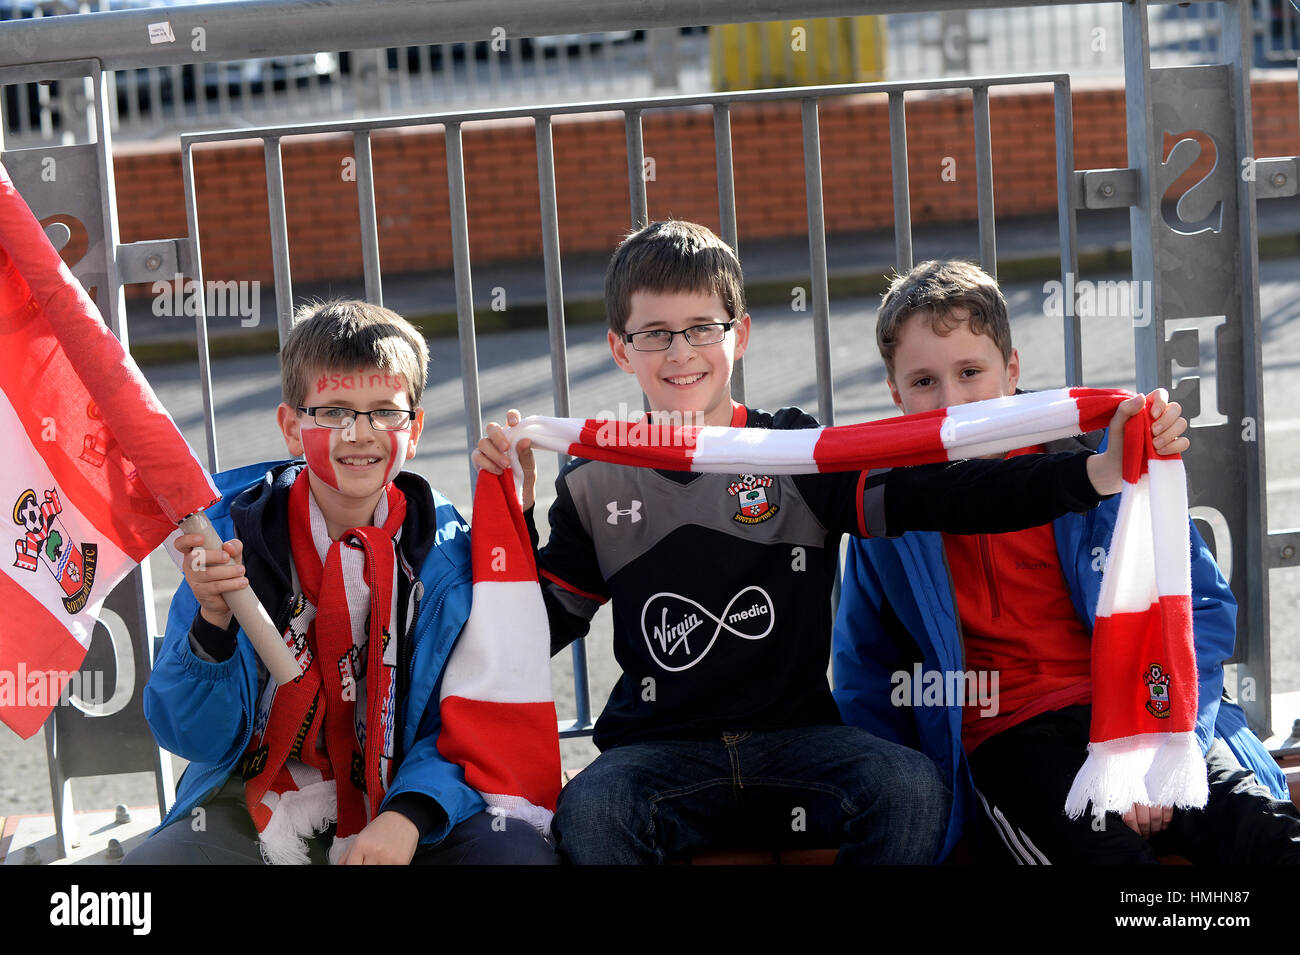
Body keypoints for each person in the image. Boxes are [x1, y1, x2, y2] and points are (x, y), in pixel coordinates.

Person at [473, 221, 1188, 864]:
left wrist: (1093, 470)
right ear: (619, 351)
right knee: (593, 812)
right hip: (657, 755)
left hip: (799, 744)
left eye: (702, 327)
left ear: (740, 336)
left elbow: (943, 494)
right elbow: (530, 632)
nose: (681, 350)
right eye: (654, 332)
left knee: (909, 790)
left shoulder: (796, 448)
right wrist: (518, 513)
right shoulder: (593, 477)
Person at [833, 259, 1300, 864]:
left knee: (1266, 835)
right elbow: (867, 675)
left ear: (1012, 371)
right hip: (1011, 738)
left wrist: (1162, 742)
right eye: (924, 382)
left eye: (971, 372)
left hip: (1153, 712)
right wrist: (924, 802)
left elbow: (1200, 612)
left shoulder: (1102, 456)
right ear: (895, 394)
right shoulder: (887, 511)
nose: (953, 402)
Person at [127, 301, 556, 865]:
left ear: (416, 428)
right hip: (254, 796)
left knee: (515, 857)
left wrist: (411, 815)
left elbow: (473, 716)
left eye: (384, 412)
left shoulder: (451, 556)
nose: (360, 434)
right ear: (290, 427)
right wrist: (212, 628)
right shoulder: (230, 543)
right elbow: (194, 738)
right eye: (332, 411)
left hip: (418, 795)